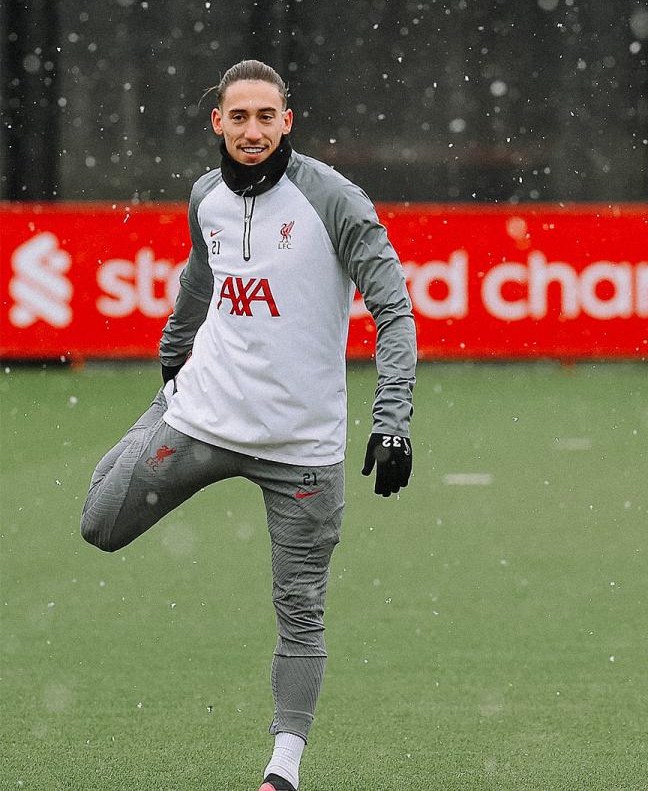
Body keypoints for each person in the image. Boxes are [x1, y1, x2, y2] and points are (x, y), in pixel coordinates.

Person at [80, 59, 417, 791]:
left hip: (303, 452)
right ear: (218, 123)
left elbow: (393, 309)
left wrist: (392, 420)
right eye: (240, 117)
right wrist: (175, 352)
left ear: (287, 121)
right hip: (204, 418)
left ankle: (282, 769)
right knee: (98, 525)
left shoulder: (334, 199)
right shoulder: (205, 195)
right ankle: (165, 408)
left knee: (300, 612)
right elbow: (201, 277)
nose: (253, 130)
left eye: (267, 117)